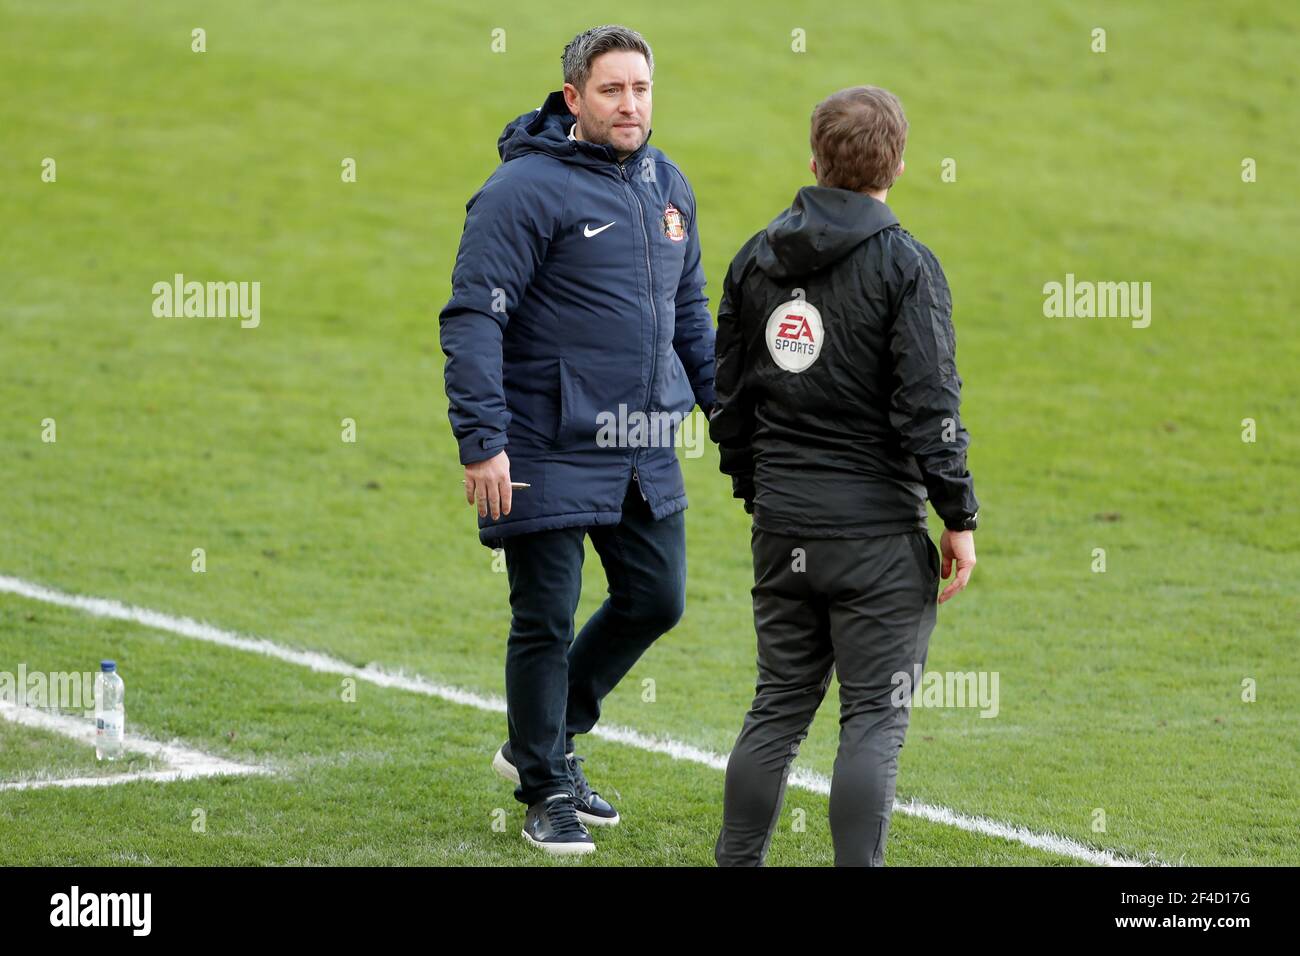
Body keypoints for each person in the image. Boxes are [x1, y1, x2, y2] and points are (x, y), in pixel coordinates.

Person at [438, 24, 715, 855]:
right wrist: (483, 441)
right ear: (573, 99)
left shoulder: (668, 187)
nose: (631, 105)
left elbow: (693, 320)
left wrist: (733, 424)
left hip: (640, 438)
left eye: (641, 89)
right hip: (543, 440)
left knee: (656, 598)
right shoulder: (522, 190)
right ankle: (544, 788)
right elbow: (472, 317)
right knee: (545, 618)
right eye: (612, 90)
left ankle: (548, 735)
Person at [709, 85, 979, 866]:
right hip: (876, 541)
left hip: (785, 529)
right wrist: (957, 514)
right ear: (898, 164)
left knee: (777, 709)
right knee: (872, 721)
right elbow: (931, 406)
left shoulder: (754, 259)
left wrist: (763, 497)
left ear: (815, 160)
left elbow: (727, 402)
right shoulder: (907, 266)